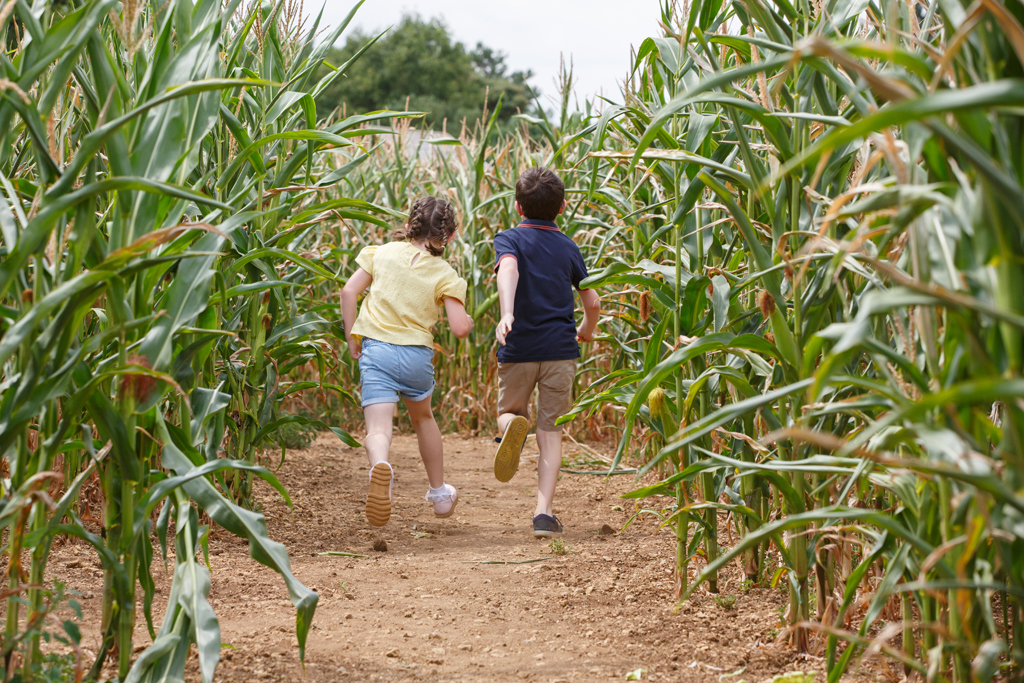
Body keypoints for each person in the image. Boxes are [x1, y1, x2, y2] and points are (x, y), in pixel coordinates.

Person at [341, 197, 474, 528]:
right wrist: (468, 321)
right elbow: (459, 329)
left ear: (410, 222)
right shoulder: (445, 273)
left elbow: (348, 292)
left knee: (379, 428)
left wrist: (351, 337)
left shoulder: (381, 253)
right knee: (424, 420)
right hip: (415, 356)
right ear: (450, 235)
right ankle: (440, 495)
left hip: (378, 352)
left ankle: (379, 467)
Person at [491, 167, 601, 538]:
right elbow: (593, 301)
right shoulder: (569, 246)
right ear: (563, 207)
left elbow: (508, 269)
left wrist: (507, 313)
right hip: (559, 349)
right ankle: (543, 514)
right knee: (550, 432)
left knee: (508, 413)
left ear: (518, 207)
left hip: (520, 344)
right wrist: (586, 329)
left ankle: (511, 429)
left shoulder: (510, 240)